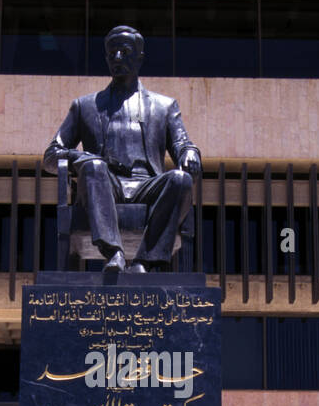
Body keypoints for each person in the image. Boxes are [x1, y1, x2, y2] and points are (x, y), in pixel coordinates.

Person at [43, 25, 201, 276]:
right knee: (93, 167)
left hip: (147, 187)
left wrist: (189, 153)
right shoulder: (85, 106)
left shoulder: (165, 106)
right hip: (106, 185)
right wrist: (81, 157)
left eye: (125, 52)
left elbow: (183, 144)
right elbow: (51, 156)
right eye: (112, 53)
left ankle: (144, 262)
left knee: (181, 180)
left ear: (140, 58)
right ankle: (113, 253)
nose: (117, 58)